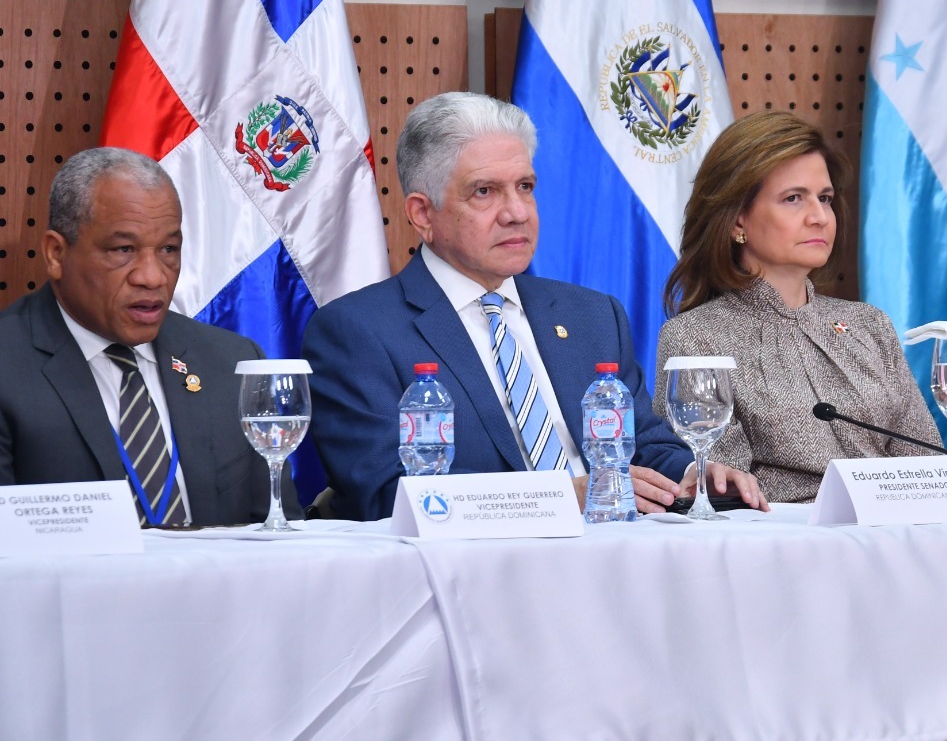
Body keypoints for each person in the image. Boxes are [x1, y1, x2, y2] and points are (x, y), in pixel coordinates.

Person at [305, 92, 765, 521]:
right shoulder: (358, 332)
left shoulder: (592, 316)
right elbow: (388, 492)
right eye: (485, 191)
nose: (517, 212)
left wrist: (690, 474)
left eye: (525, 186)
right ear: (423, 214)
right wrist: (561, 498)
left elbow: (643, 444)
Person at [654, 112, 943, 502]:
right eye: (794, 199)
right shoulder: (696, 338)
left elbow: (927, 466)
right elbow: (725, 489)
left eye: (824, 198)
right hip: (786, 544)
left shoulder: (868, 324)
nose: (820, 217)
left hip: (899, 531)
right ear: (737, 220)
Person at [0, 148, 297, 526]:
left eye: (168, 250)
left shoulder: (230, 363)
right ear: (56, 254)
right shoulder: (8, 366)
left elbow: (281, 538)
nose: (153, 277)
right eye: (124, 250)